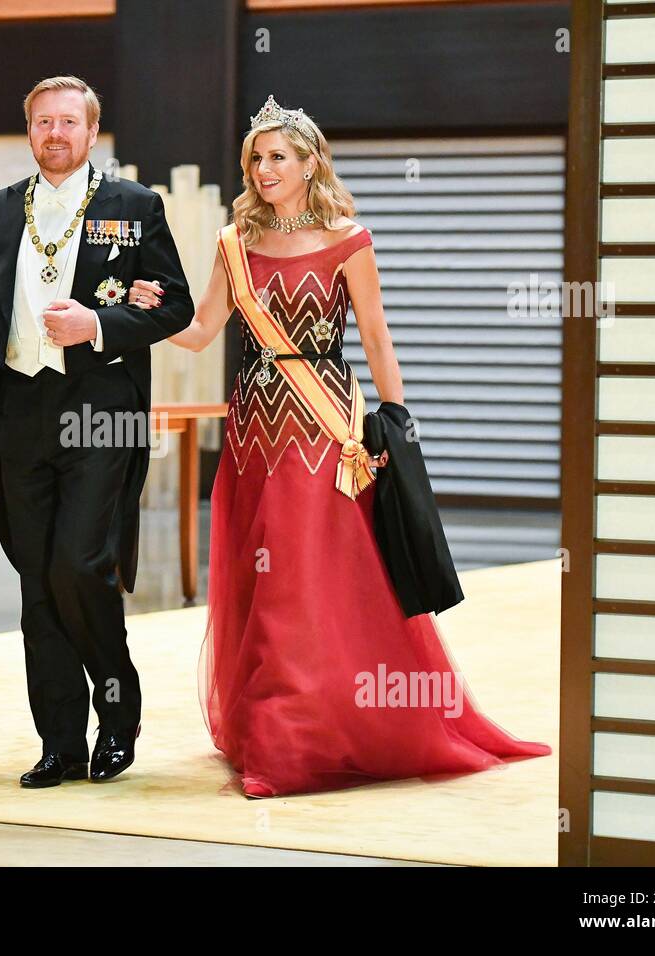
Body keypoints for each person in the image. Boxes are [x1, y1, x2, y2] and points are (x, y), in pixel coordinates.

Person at [132, 96, 551, 798]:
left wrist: (400, 423)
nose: (264, 170)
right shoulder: (235, 243)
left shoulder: (349, 239)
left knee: (311, 585)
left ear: (309, 163)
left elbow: (378, 336)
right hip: (254, 433)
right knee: (262, 585)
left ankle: (301, 742)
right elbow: (203, 331)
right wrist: (148, 313)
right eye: (256, 159)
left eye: (278, 157)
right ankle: (273, 734)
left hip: (326, 431)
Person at [0, 76, 192, 788]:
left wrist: (101, 325)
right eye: (42, 122)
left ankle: (118, 705)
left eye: (68, 122)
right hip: (19, 412)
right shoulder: (0, 208)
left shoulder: (133, 206)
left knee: (78, 564)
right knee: (36, 577)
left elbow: (172, 304)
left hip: (101, 408)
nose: (55, 133)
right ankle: (59, 741)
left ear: (91, 133)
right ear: (29, 131)